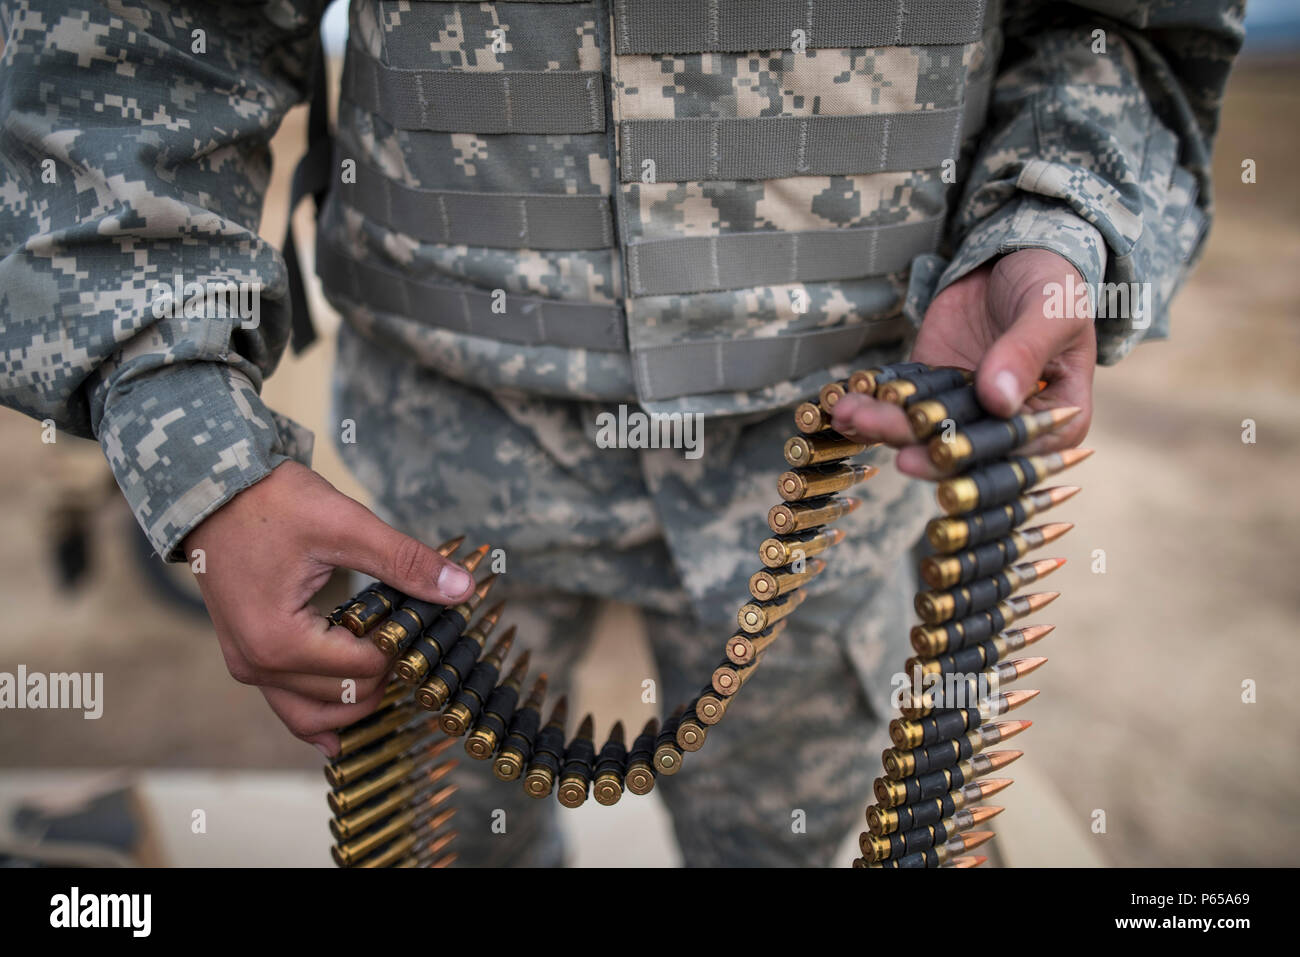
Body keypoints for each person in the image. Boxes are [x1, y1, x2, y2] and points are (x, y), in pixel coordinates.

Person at [0, 0, 1243, 866]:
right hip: (435, 455)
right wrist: (195, 439)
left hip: (848, 442)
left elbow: (1116, 25)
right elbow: (139, 37)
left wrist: (1055, 223)